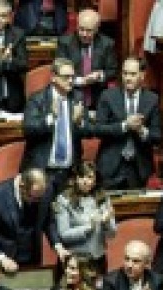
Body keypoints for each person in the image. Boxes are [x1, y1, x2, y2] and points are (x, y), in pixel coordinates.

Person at [21, 57, 94, 194]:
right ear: (54, 77)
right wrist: (51, 117)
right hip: (42, 171)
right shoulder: (38, 99)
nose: (71, 81)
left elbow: (90, 131)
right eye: (66, 77)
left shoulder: (77, 98)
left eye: (73, 77)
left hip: (69, 173)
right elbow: (28, 129)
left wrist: (79, 122)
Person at [95, 57, 163, 191]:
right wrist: (125, 125)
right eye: (125, 73)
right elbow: (98, 129)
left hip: (138, 168)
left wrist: (141, 130)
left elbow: (157, 136)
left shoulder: (152, 99)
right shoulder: (108, 96)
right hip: (111, 166)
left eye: (132, 74)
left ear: (142, 75)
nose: (127, 78)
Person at [0, 169, 61, 273]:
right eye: (34, 198)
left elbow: (48, 221)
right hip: (2, 260)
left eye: (40, 198)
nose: (37, 202)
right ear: (22, 186)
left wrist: (58, 246)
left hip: (32, 259)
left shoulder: (46, 190)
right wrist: (1, 257)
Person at [52, 161, 116, 275]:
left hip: (97, 259)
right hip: (74, 261)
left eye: (90, 177)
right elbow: (64, 235)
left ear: (95, 180)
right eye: (82, 177)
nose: (86, 181)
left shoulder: (103, 198)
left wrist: (106, 223)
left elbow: (112, 234)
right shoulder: (64, 199)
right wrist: (88, 227)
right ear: (76, 178)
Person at [55, 9, 116, 110]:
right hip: (71, 95)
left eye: (89, 30)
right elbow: (58, 72)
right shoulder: (65, 43)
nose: (84, 34)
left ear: (97, 29)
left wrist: (99, 75)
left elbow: (112, 71)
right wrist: (80, 81)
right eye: (81, 29)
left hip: (98, 96)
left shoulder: (107, 44)